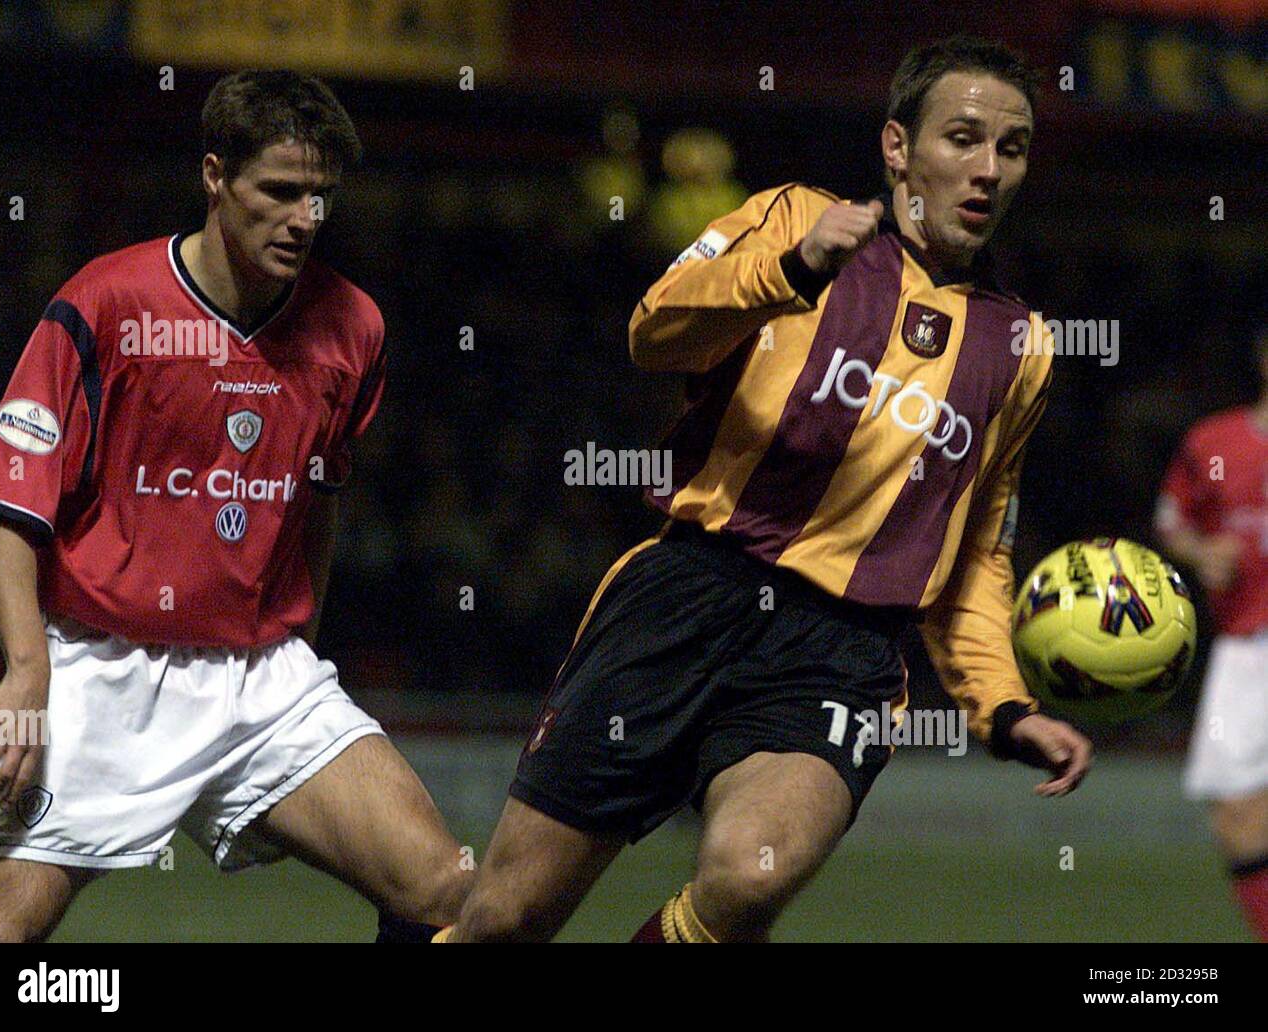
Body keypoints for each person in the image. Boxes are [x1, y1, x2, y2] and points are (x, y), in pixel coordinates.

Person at [444, 35, 1092, 943]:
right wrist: (788, 275)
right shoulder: (797, 218)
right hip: (691, 593)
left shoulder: (1023, 347)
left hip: (842, 652)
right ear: (898, 148)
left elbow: (978, 546)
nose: (987, 169)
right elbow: (653, 332)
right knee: (503, 918)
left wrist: (1003, 704)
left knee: (748, 886)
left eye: (1011, 148)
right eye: (963, 138)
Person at [0, 70, 469, 942]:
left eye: (320, 196)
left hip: (261, 678)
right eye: (280, 191)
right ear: (213, 176)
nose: (305, 219)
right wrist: (25, 670)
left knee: (451, 896)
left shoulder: (354, 328)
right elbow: (6, 499)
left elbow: (320, 496)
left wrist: (299, 653)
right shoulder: (108, 303)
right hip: (103, 667)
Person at [1156, 326, 1268, 942]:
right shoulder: (1213, 442)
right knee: (1237, 820)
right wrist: (1201, 553)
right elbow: (1172, 520)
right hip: (1246, 649)